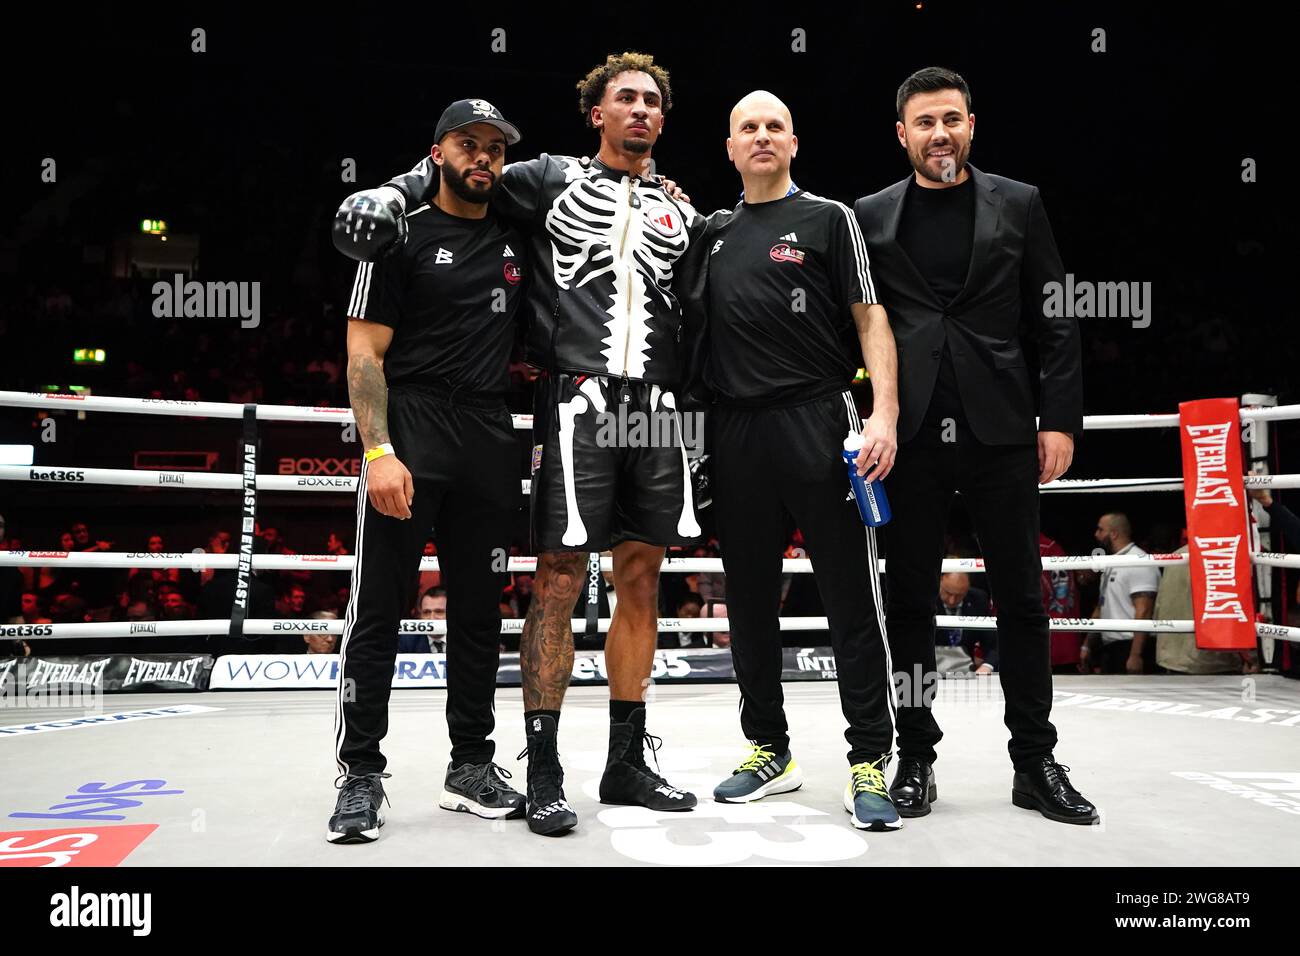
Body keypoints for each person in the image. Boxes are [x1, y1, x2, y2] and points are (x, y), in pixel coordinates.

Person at [335, 53, 708, 836]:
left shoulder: (683, 212)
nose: (639, 110)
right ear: (595, 114)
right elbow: (447, 172)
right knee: (556, 574)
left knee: (635, 577)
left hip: (655, 402)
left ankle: (621, 760)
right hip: (571, 394)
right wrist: (383, 189)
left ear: (663, 119)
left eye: (651, 102)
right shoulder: (543, 181)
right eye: (624, 99)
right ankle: (534, 767)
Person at [855, 67, 1096, 824]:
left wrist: (1059, 418)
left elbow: (1054, 312)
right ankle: (915, 758)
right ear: (903, 133)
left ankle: (1034, 761)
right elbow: (861, 323)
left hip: (1002, 429)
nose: (939, 134)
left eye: (951, 119)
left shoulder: (1018, 202)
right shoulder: (869, 214)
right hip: (912, 434)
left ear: (970, 124)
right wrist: (868, 412)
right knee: (910, 602)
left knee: (1022, 599)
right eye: (924, 122)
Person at [694, 91, 901, 831]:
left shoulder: (829, 218)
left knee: (851, 599)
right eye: (746, 126)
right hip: (735, 432)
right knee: (748, 600)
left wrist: (884, 413)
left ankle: (872, 759)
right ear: (729, 146)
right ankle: (768, 750)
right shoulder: (711, 232)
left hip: (821, 419)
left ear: (793, 141)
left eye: (774, 125)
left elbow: (871, 318)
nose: (760, 136)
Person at [328, 99, 529, 844]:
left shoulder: (516, 236)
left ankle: (471, 765)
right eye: (468, 145)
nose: (483, 158)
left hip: (487, 426)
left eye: (494, 150)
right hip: (410, 421)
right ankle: (359, 774)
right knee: (380, 611)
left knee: (480, 614)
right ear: (437, 153)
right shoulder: (396, 234)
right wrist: (378, 451)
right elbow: (362, 354)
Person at [1086, 512, 1159, 674]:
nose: (1096, 534)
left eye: (1100, 530)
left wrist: (1135, 654)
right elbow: (1102, 605)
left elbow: (1144, 610)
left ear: (1113, 533)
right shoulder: (1112, 561)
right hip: (1110, 646)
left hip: (1130, 644)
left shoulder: (1139, 561)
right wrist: (1087, 644)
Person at [934, 571, 996, 674]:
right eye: (948, 593)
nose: (952, 600)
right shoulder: (928, 599)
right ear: (939, 583)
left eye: (959, 595)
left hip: (967, 672)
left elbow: (993, 641)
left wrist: (987, 665)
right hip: (928, 670)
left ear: (967, 589)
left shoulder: (978, 599)